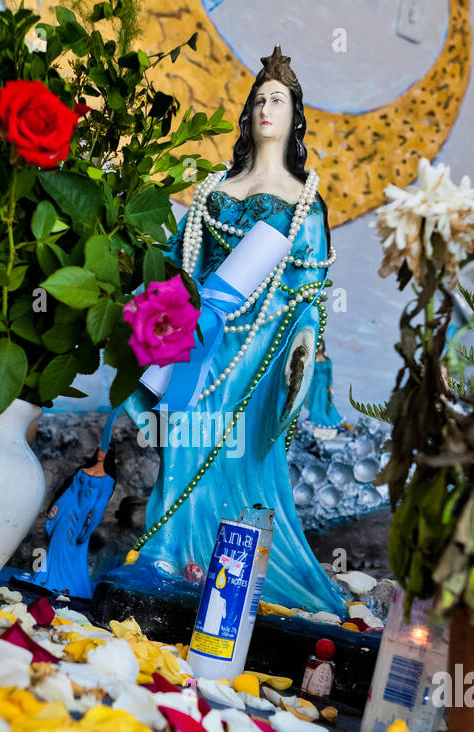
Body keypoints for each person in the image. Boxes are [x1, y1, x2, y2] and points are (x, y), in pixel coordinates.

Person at [134, 45, 346, 614]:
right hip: (203, 342)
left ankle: (228, 573)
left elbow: (308, 294)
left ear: (296, 116)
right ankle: (167, 552)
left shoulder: (307, 203)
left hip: (260, 354)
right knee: (180, 438)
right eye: (258, 101)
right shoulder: (213, 190)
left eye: (277, 100)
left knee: (233, 454)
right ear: (247, 115)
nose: (266, 109)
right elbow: (183, 268)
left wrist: (301, 355)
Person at [29, 448, 115, 600]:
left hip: (82, 519)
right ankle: (49, 578)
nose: (101, 453)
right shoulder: (82, 471)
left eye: (105, 451)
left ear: (109, 455)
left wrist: (90, 526)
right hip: (68, 511)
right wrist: (57, 507)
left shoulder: (108, 480)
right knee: (58, 544)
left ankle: (68, 583)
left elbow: (100, 505)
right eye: (99, 450)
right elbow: (70, 492)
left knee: (73, 551)